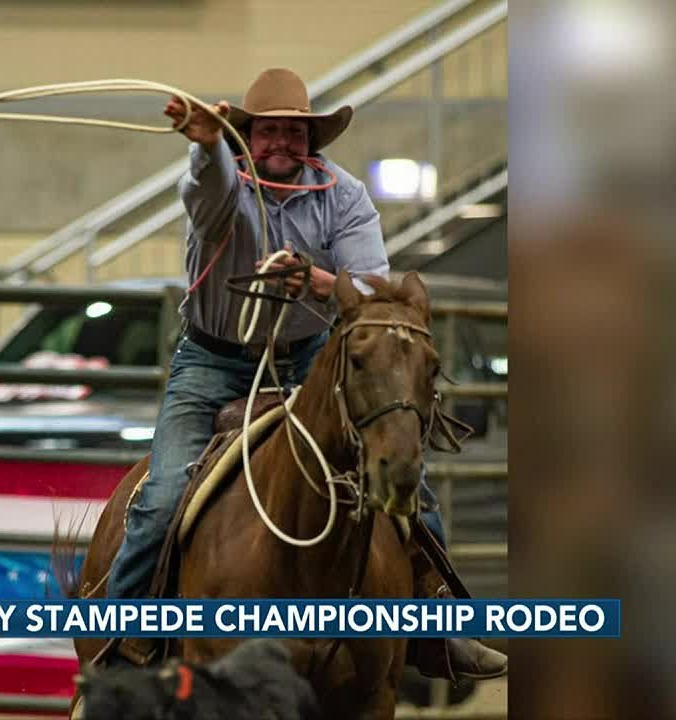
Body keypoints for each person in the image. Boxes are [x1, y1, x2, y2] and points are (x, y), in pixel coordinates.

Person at [105, 68, 505, 679]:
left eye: (294, 132)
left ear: (311, 139)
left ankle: (439, 630)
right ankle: (121, 644)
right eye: (268, 131)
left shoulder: (344, 195)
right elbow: (206, 199)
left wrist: (317, 281)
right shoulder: (225, 184)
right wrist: (207, 147)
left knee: (407, 484)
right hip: (212, 361)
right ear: (247, 137)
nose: (281, 143)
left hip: (312, 359)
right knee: (161, 500)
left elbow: (373, 289)